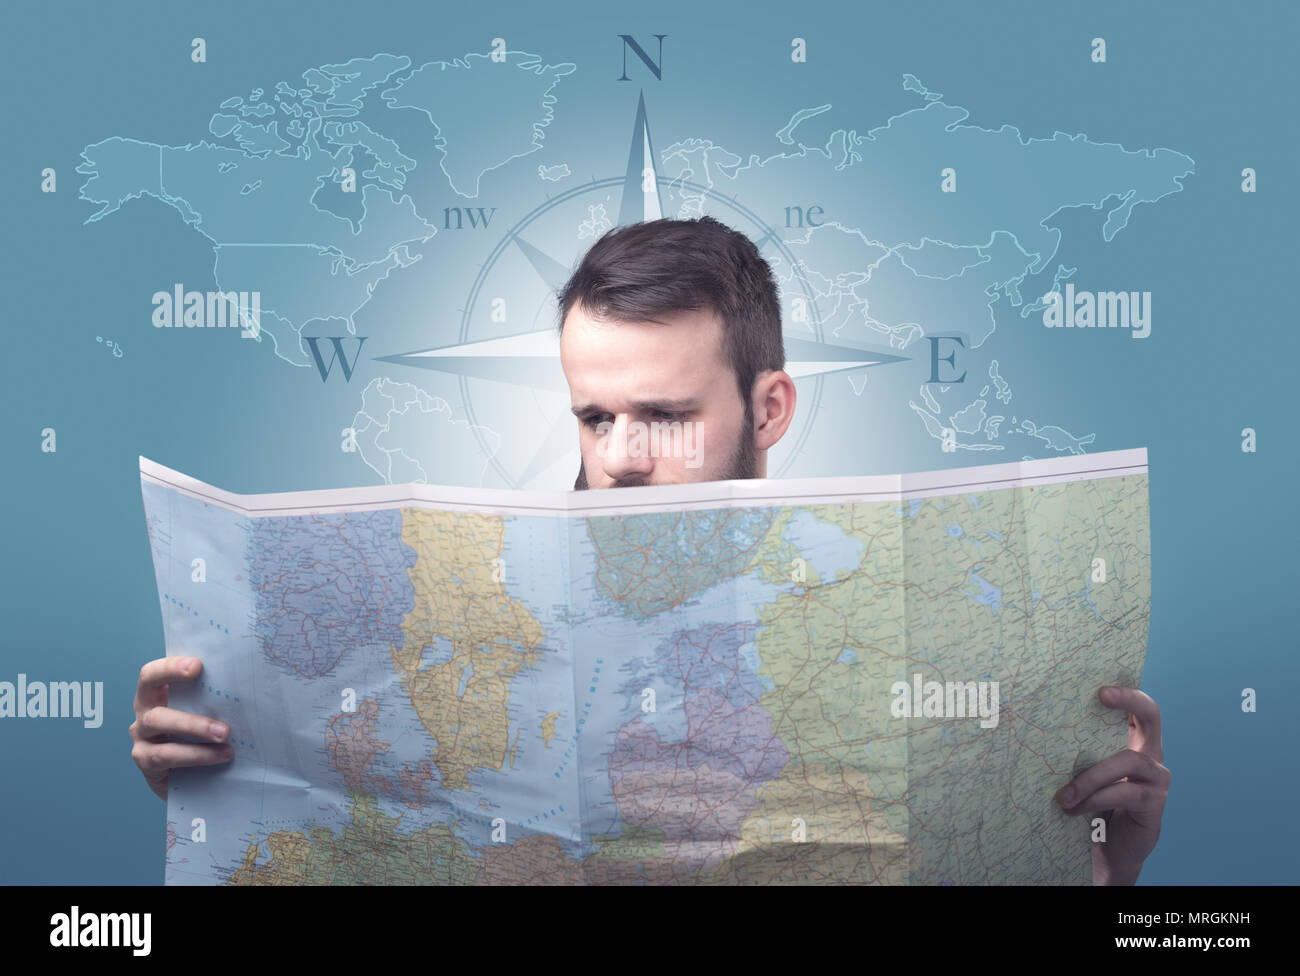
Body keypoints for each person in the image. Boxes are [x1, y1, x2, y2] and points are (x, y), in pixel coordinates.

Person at [130, 215, 1169, 884]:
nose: (620, 458)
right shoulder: (470, 622)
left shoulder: (886, 604)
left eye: (664, 416)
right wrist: (226, 774)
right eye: (593, 417)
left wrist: (1108, 875)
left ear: (769, 409)